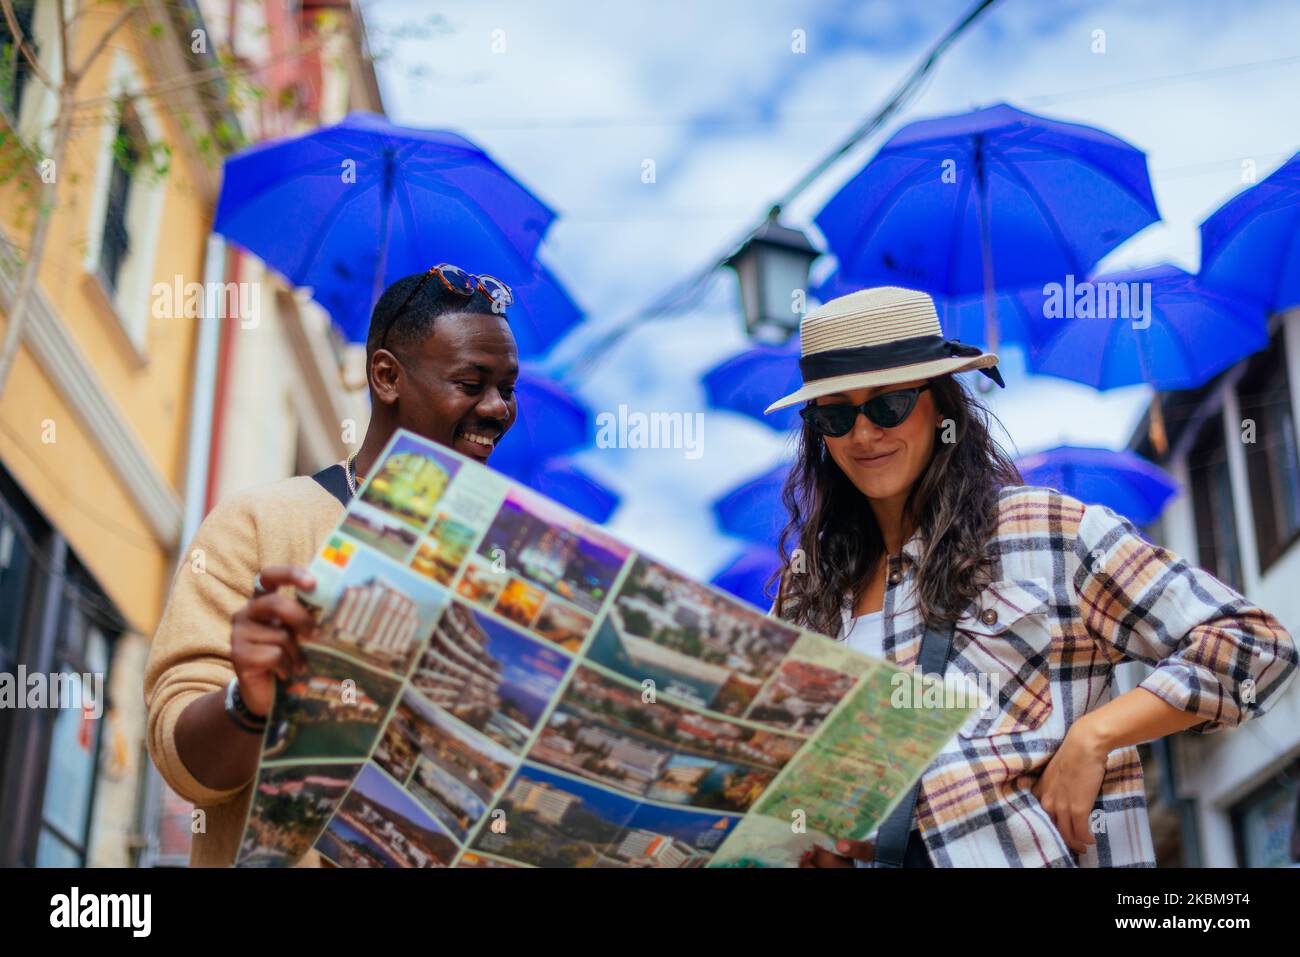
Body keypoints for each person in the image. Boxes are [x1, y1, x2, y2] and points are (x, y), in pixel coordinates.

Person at [766, 286, 1298, 868]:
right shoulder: (804, 594)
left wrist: (1095, 736)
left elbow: (1253, 644)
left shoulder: (1042, 530)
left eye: (888, 404)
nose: (864, 434)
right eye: (836, 415)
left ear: (940, 405)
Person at [144, 264, 520, 867]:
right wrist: (251, 702)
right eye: (471, 383)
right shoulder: (262, 523)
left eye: (508, 388)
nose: (498, 408)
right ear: (387, 377)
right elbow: (182, 766)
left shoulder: (505, 567)